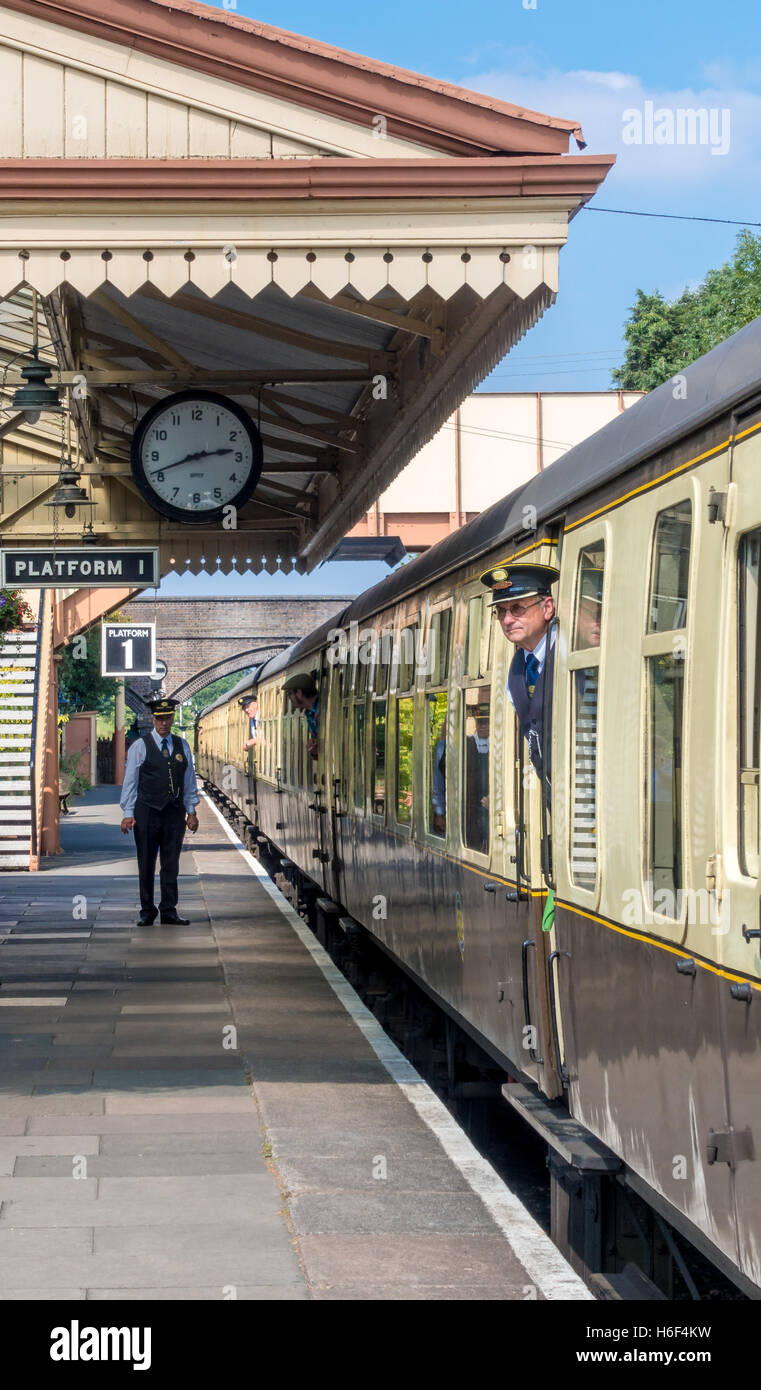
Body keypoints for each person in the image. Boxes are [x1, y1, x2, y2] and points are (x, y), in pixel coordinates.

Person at [119, 696, 199, 925]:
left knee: (171, 863)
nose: (164, 723)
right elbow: (131, 782)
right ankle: (147, 911)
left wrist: (191, 811)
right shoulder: (140, 747)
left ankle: (168, 910)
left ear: (173, 718)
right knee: (146, 862)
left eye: (168, 718)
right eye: (160, 718)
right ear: (153, 720)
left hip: (174, 813)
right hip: (147, 812)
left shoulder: (183, 746)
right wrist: (128, 814)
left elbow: (189, 780)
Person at [481, 561, 560, 778]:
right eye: (500, 611)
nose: (507, 619)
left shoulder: (570, 657)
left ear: (547, 608)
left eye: (517, 608)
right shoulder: (516, 672)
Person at [283, 670, 320, 758]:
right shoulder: (309, 713)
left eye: (290, 694)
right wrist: (314, 748)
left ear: (299, 693)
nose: (289, 698)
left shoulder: (322, 708)